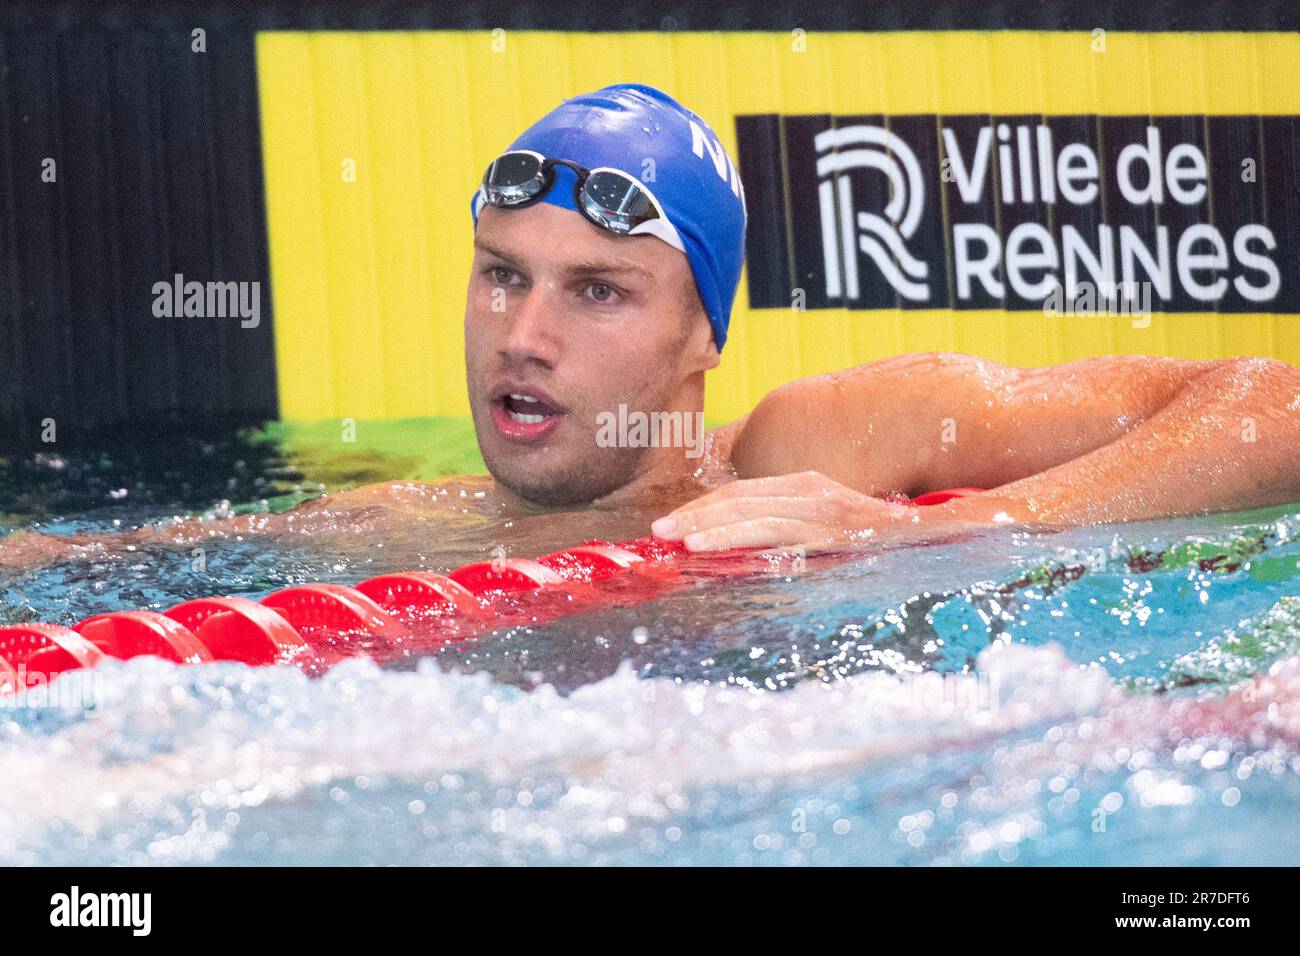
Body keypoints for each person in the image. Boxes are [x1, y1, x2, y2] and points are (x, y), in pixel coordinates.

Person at [3, 83, 1298, 571]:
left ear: (702, 337)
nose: (523, 331)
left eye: (597, 289)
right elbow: (79, 562)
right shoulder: (414, 523)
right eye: (503, 274)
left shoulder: (823, 443)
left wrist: (935, 528)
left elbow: (1276, 400)